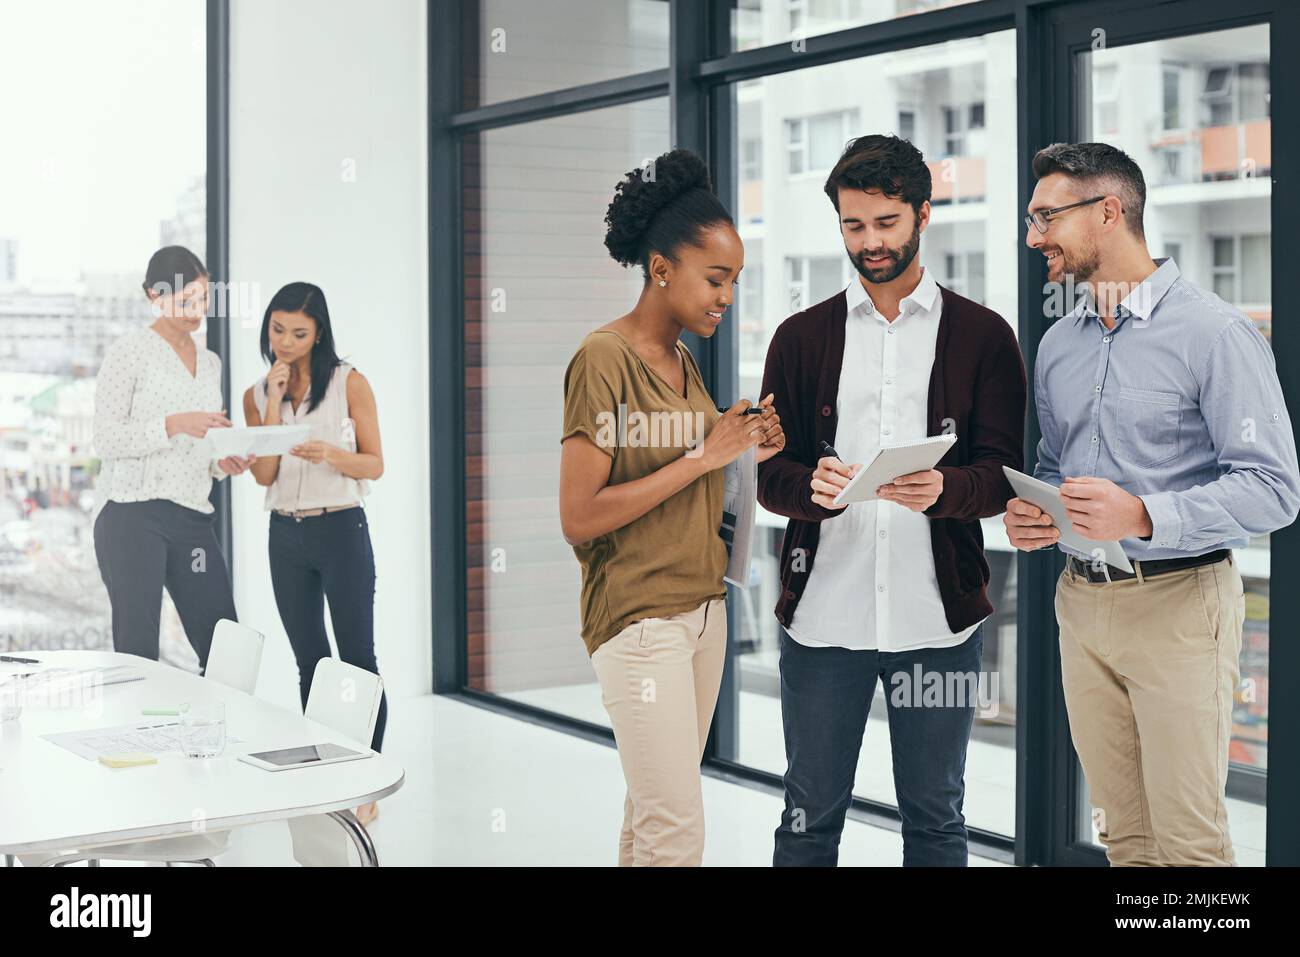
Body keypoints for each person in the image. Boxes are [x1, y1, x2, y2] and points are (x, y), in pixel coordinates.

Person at [1006, 142, 1300, 866]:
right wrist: (1037, 516)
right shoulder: (1057, 346)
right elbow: (1054, 467)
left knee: (1190, 840)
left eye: (1046, 216)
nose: (1033, 235)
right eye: (1030, 217)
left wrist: (1141, 515)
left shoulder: (1214, 332)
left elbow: (1275, 488)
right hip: (1080, 606)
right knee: (1124, 835)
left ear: (1108, 212)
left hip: (1179, 605)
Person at [757, 134, 1026, 866]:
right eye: (853, 226)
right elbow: (767, 473)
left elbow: (1003, 473)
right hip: (823, 622)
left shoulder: (984, 336)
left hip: (936, 623)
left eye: (885, 223)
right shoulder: (799, 338)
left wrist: (946, 489)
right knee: (807, 820)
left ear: (922, 214)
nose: (869, 242)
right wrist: (809, 488)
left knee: (936, 819)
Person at [559, 148, 784, 866]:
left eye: (734, 283)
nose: (726, 297)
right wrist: (704, 453)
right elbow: (580, 514)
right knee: (676, 830)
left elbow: (692, 483)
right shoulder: (603, 357)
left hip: (702, 611)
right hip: (640, 619)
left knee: (650, 819)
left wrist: (747, 449)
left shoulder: (685, 362)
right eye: (715, 278)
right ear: (661, 268)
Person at [243, 281, 386, 827]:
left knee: (357, 661)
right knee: (312, 663)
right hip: (286, 536)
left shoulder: (351, 383)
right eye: (277, 329)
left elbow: (374, 464)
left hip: (341, 529)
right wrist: (274, 404)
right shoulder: (257, 395)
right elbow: (263, 475)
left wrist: (331, 452)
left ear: (319, 332)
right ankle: (328, 777)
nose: (285, 341)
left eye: (298, 332)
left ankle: (366, 779)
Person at [93, 245, 253, 668]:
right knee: (138, 652)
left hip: (191, 518)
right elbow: (106, 441)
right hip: (132, 517)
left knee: (226, 648)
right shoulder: (127, 353)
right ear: (154, 296)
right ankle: (138, 735)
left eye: (202, 299)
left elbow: (201, 449)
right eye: (185, 301)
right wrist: (173, 423)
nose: (196, 311)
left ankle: (221, 732)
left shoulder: (211, 363)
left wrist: (224, 462)